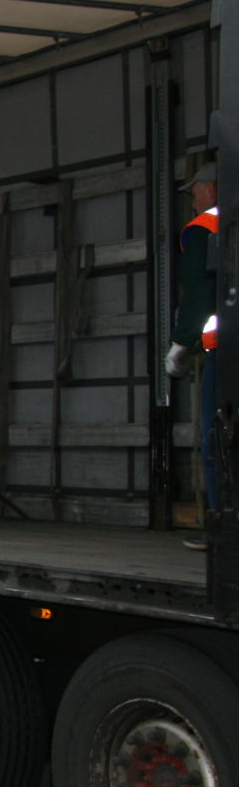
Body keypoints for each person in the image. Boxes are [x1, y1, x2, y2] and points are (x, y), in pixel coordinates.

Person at [166, 162, 218, 548]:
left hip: (227, 351)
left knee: (217, 438)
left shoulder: (204, 228)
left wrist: (181, 344)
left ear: (211, 188)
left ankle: (222, 529)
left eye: (195, 191)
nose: (194, 199)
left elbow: (199, 291)